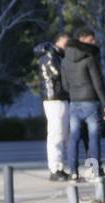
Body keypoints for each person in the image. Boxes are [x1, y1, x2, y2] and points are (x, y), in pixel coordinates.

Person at [63, 29, 105, 182]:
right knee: (93, 138)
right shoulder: (89, 58)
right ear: (82, 39)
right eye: (91, 40)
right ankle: (95, 171)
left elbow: (65, 86)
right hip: (91, 102)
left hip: (74, 103)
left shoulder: (65, 60)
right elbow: (98, 83)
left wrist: (74, 94)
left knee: (74, 138)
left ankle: (73, 172)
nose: (94, 43)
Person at [35, 34, 72, 182]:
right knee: (56, 134)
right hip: (54, 98)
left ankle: (60, 167)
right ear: (58, 42)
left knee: (62, 134)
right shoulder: (50, 56)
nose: (68, 45)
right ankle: (55, 168)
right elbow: (58, 74)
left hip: (58, 97)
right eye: (66, 42)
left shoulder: (56, 56)